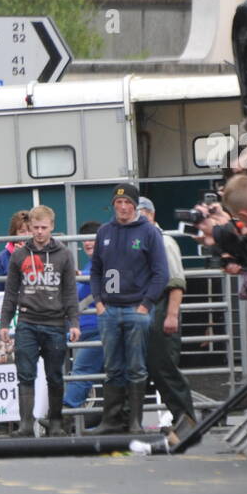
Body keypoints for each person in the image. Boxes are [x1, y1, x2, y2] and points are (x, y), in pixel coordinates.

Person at [87, 182, 168, 435]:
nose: (123, 207)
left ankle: (134, 421)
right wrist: (98, 301)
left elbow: (161, 273)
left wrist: (146, 305)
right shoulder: (104, 232)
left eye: (128, 203)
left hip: (136, 309)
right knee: (112, 367)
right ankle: (111, 420)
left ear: (135, 205)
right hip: (109, 310)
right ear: (113, 205)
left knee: (136, 367)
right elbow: (96, 270)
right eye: (118, 203)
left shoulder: (149, 233)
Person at [0, 205, 79, 438]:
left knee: (55, 375)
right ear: (30, 228)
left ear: (52, 227)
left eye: (44, 228)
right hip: (27, 322)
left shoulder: (64, 254)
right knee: (25, 373)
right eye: (36, 228)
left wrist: (74, 322)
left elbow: (70, 292)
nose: (40, 232)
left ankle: (55, 423)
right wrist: (5, 323)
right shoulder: (19, 255)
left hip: (55, 323)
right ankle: (25, 424)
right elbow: (10, 292)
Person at [136, 197, 198, 436]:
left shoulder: (164, 242)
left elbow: (176, 284)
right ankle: (131, 421)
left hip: (160, 308)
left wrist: (172, 315)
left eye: (143, 214)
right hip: (142, 309)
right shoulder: (137, 243)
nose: (140, 219)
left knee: (164, 367)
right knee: (138, 368)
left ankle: (187, 419)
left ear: (151, 215)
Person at [64, 221, 103, 423]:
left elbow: (111, 291)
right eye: (85, 239)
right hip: (83, 329)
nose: (88, 243)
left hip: (99, 330)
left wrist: (80, 278)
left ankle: (64, 417)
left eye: (93, 239)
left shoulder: (107, 264)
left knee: (81, 371)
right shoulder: (90, 266)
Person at [0, 210, 35, 292]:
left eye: (30, 231)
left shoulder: (45, 255)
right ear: (14, 234)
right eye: (22, 232)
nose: (27, 235)